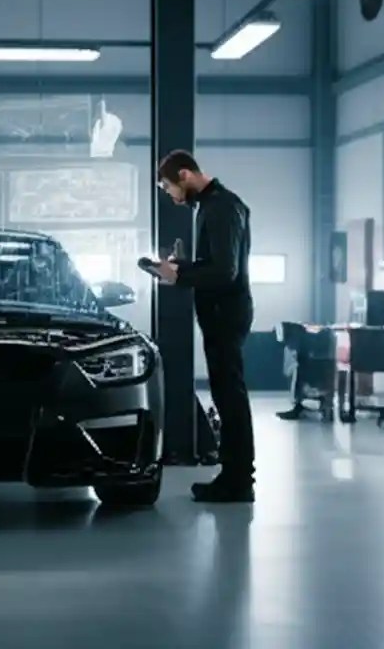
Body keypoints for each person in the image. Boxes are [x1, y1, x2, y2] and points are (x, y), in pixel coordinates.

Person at [154, 149, 256, 503]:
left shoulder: (222, 207)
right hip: (222, 313)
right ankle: (235, 476)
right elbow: (216, 263)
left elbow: (224, 272)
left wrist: (179, 274)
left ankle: (239, 480)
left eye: (169, 187)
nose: (170, 195)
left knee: (230, 397)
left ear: (185, 175)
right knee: (226, 395)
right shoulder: (213, 206)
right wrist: (185, 265)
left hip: (226, 314)